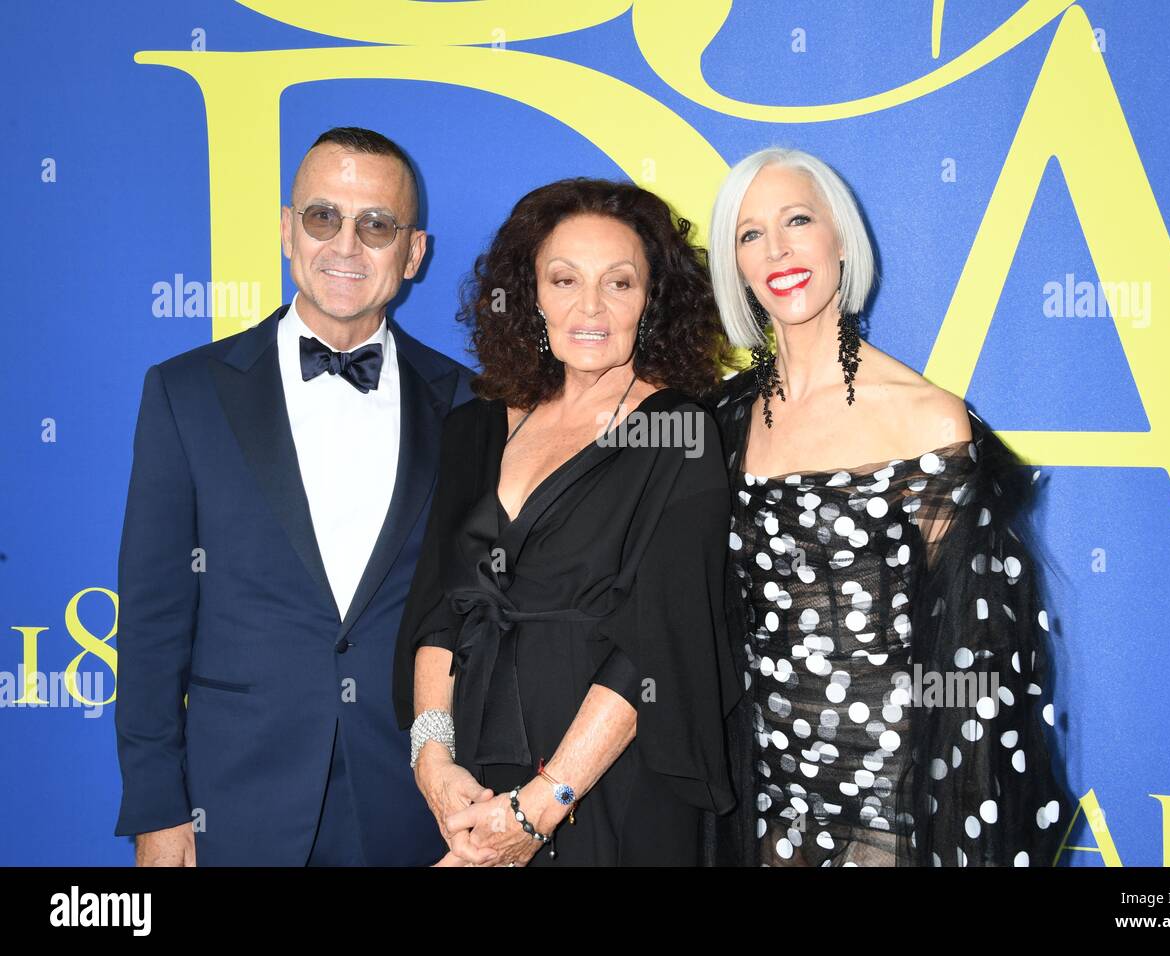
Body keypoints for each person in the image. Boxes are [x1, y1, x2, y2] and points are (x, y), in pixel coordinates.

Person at [113, 127, 475, 866]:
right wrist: (158, 809)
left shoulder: (470, 406)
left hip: (410, 805)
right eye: (322, 217)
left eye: (377, 225)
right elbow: (152, 622)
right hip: (234, 806)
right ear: (287, 230)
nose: (346, 245)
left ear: (413, 253)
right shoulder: (186, 394)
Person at [706, 147, 1074, 866]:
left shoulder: (929, 420)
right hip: (762, 803)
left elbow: (976, 655)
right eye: (750, 234)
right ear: (737, 264)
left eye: (798, 220)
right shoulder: (723, 420)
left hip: (894, 812)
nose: (777, 249)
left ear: (841, 239)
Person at [393, 177, 743, 866]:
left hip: (608, 782)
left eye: (619, 283)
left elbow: (659, 644)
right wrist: (432, 760)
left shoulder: (681, 433)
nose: (591, 308)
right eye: (563, 280)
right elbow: (439, 608)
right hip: (472, 778)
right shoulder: (472, 427)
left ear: (652, 301)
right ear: (530, 295)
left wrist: (545, 801)